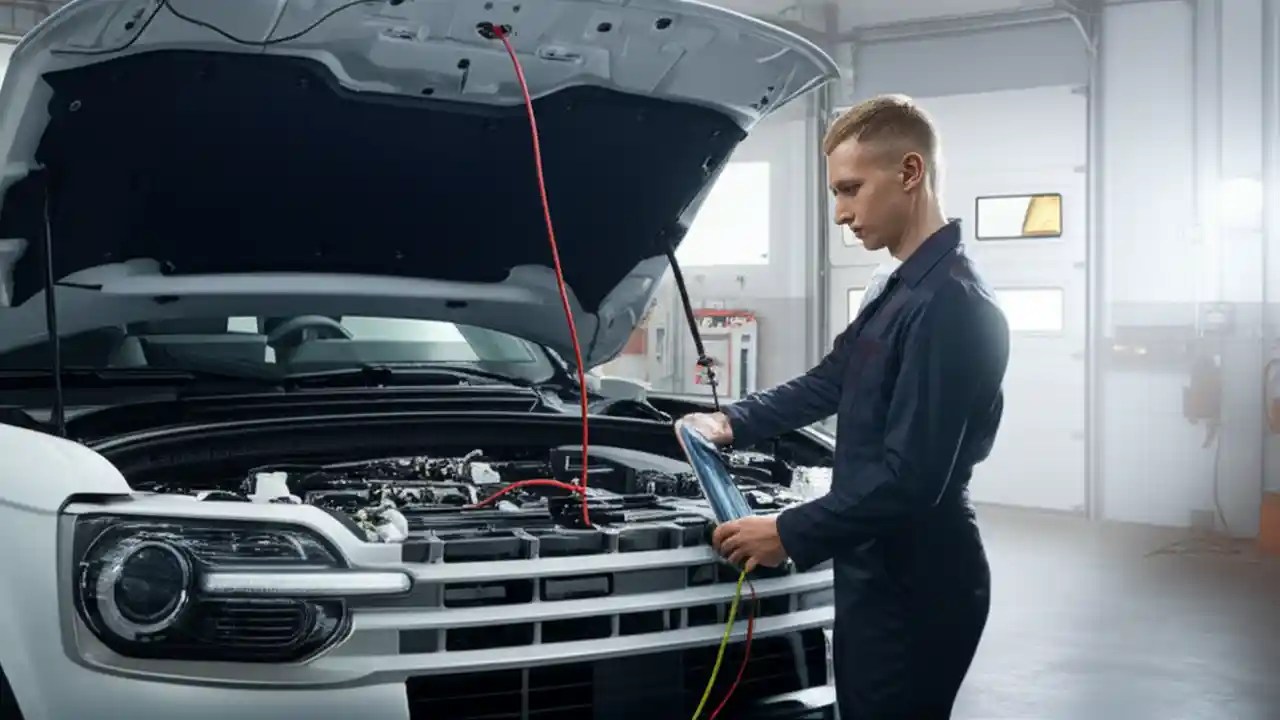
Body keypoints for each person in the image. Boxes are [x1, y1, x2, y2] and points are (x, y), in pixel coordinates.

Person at [682, 94, 1010, 719]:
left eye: (851, 189)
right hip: (876, 562)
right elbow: (834, 378)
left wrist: (786, 532)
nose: (840, 214)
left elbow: (911, 480)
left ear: (910, 173)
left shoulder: (953, 305)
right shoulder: (901, 287)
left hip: (917, 581)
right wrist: (732, 422)